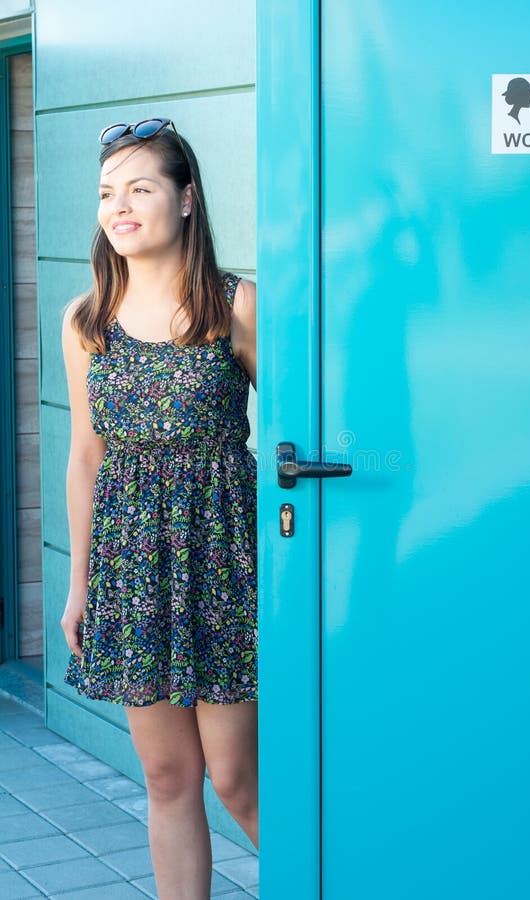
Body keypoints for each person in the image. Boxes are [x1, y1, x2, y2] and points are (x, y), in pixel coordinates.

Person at [59, 117, 258, 900]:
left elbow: (305, 435)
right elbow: (86, 458)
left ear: (186, 199)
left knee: (237, 778)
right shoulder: (87, 320)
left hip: (223, 565)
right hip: (132, 569)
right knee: (169, 777)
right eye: (108, 192)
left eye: (140, 188)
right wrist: (79, 585)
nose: (120, 206)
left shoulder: (235, 305)